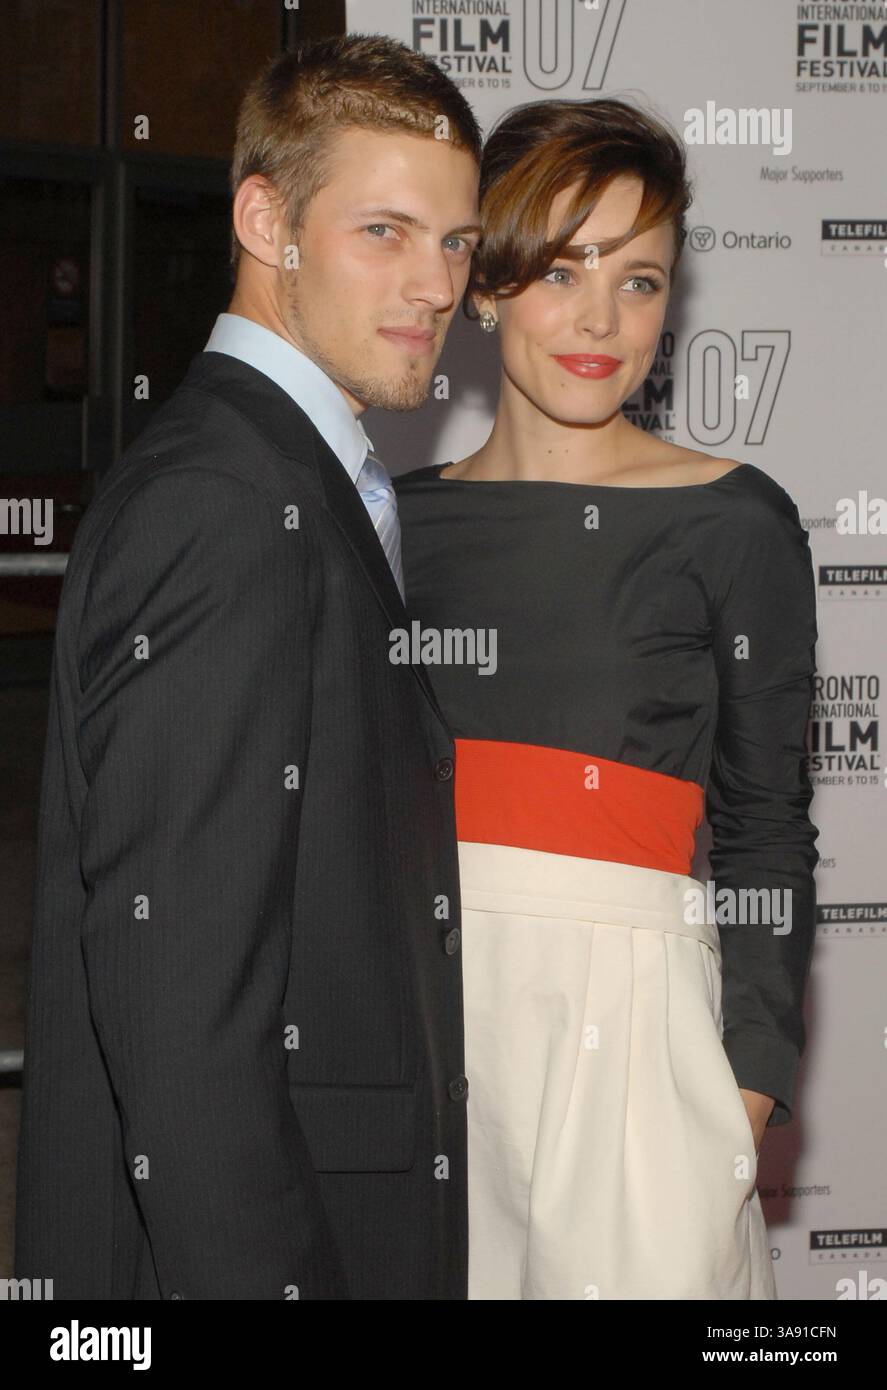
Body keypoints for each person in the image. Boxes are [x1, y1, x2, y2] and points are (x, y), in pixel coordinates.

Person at [15, 35, 482, 1300]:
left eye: (455, 242)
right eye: (384, 232)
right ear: (266, 221)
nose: (434, 285)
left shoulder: (284, 472)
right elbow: (182, 1018)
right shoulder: (225, 506)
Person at [394, 97, 820, 1300]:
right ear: (485, 285)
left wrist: (740, 1094)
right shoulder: (392, 526)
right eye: (560, 270)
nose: (599, 319)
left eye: (637, 281)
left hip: (641, 1054)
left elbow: (763, 828)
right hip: (431, 1037)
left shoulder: (732, 522)